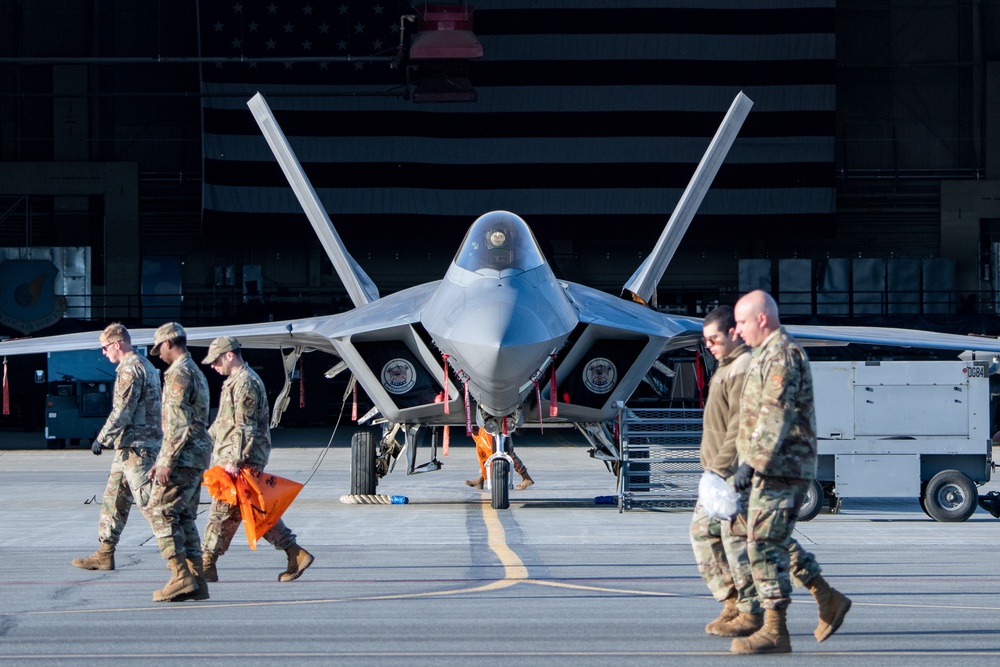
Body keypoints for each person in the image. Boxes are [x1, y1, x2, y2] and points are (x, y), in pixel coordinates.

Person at [730, 290, 851, 654]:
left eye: (742, 322)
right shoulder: (764, 355)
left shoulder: (782, 355)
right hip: (772, 464)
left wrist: (752, 462)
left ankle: (774, 629)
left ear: (762, 319)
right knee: (761, 533)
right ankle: (826, 596)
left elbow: (775, 414)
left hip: (783, 465)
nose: (737, 330)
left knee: (763, 541)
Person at [200, 336, 314, 583]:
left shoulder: (246, 383)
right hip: (236, 455)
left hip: (242, 458)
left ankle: (206, 564)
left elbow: (245, 426)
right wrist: (201, 442)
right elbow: (223, 422)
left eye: (216, 360)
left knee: (223, 510)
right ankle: (294, 552)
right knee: (254, 511)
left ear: (229, 355)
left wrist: (234, 461)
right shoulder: (235, 382)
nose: (212, 366)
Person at [689, 306, 760, 637]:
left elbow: (740, 427)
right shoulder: (726, 366)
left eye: (714, 339)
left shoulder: (743, 368)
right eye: (706, 340)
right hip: (717, 472)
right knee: (703, 532)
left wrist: (718, 471)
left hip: (732, 472)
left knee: (736, 540)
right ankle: (731, 600)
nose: (709, 346)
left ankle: (749, 610)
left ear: (734, 333)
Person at [72, 323, 162, 571]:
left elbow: (123, 409)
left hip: (137, 447)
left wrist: (102, 437)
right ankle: (105, 552)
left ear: (117, 344)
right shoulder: (146, 365)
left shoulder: (131, 369)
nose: (103, 353)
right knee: (113, 500)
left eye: (104, 347)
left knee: (150, 503)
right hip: (129, 447)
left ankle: (183, 555)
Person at [145, 322, 213, 602]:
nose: (158, 354)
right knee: (183, 516)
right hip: (195, 454)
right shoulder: (194, 371)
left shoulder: (178, 374)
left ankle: (179, 576)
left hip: (183, 455)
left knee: (159, 511)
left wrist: (166, 462)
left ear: (169, 343)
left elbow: (178, 425)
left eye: (159, 347)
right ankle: (196, 579)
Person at [464, 426, 533, 490]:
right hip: (490, 422)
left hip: (502, 423)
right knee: (485, 449)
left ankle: (526, 477)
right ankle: (481, 478)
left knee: (507, 452)